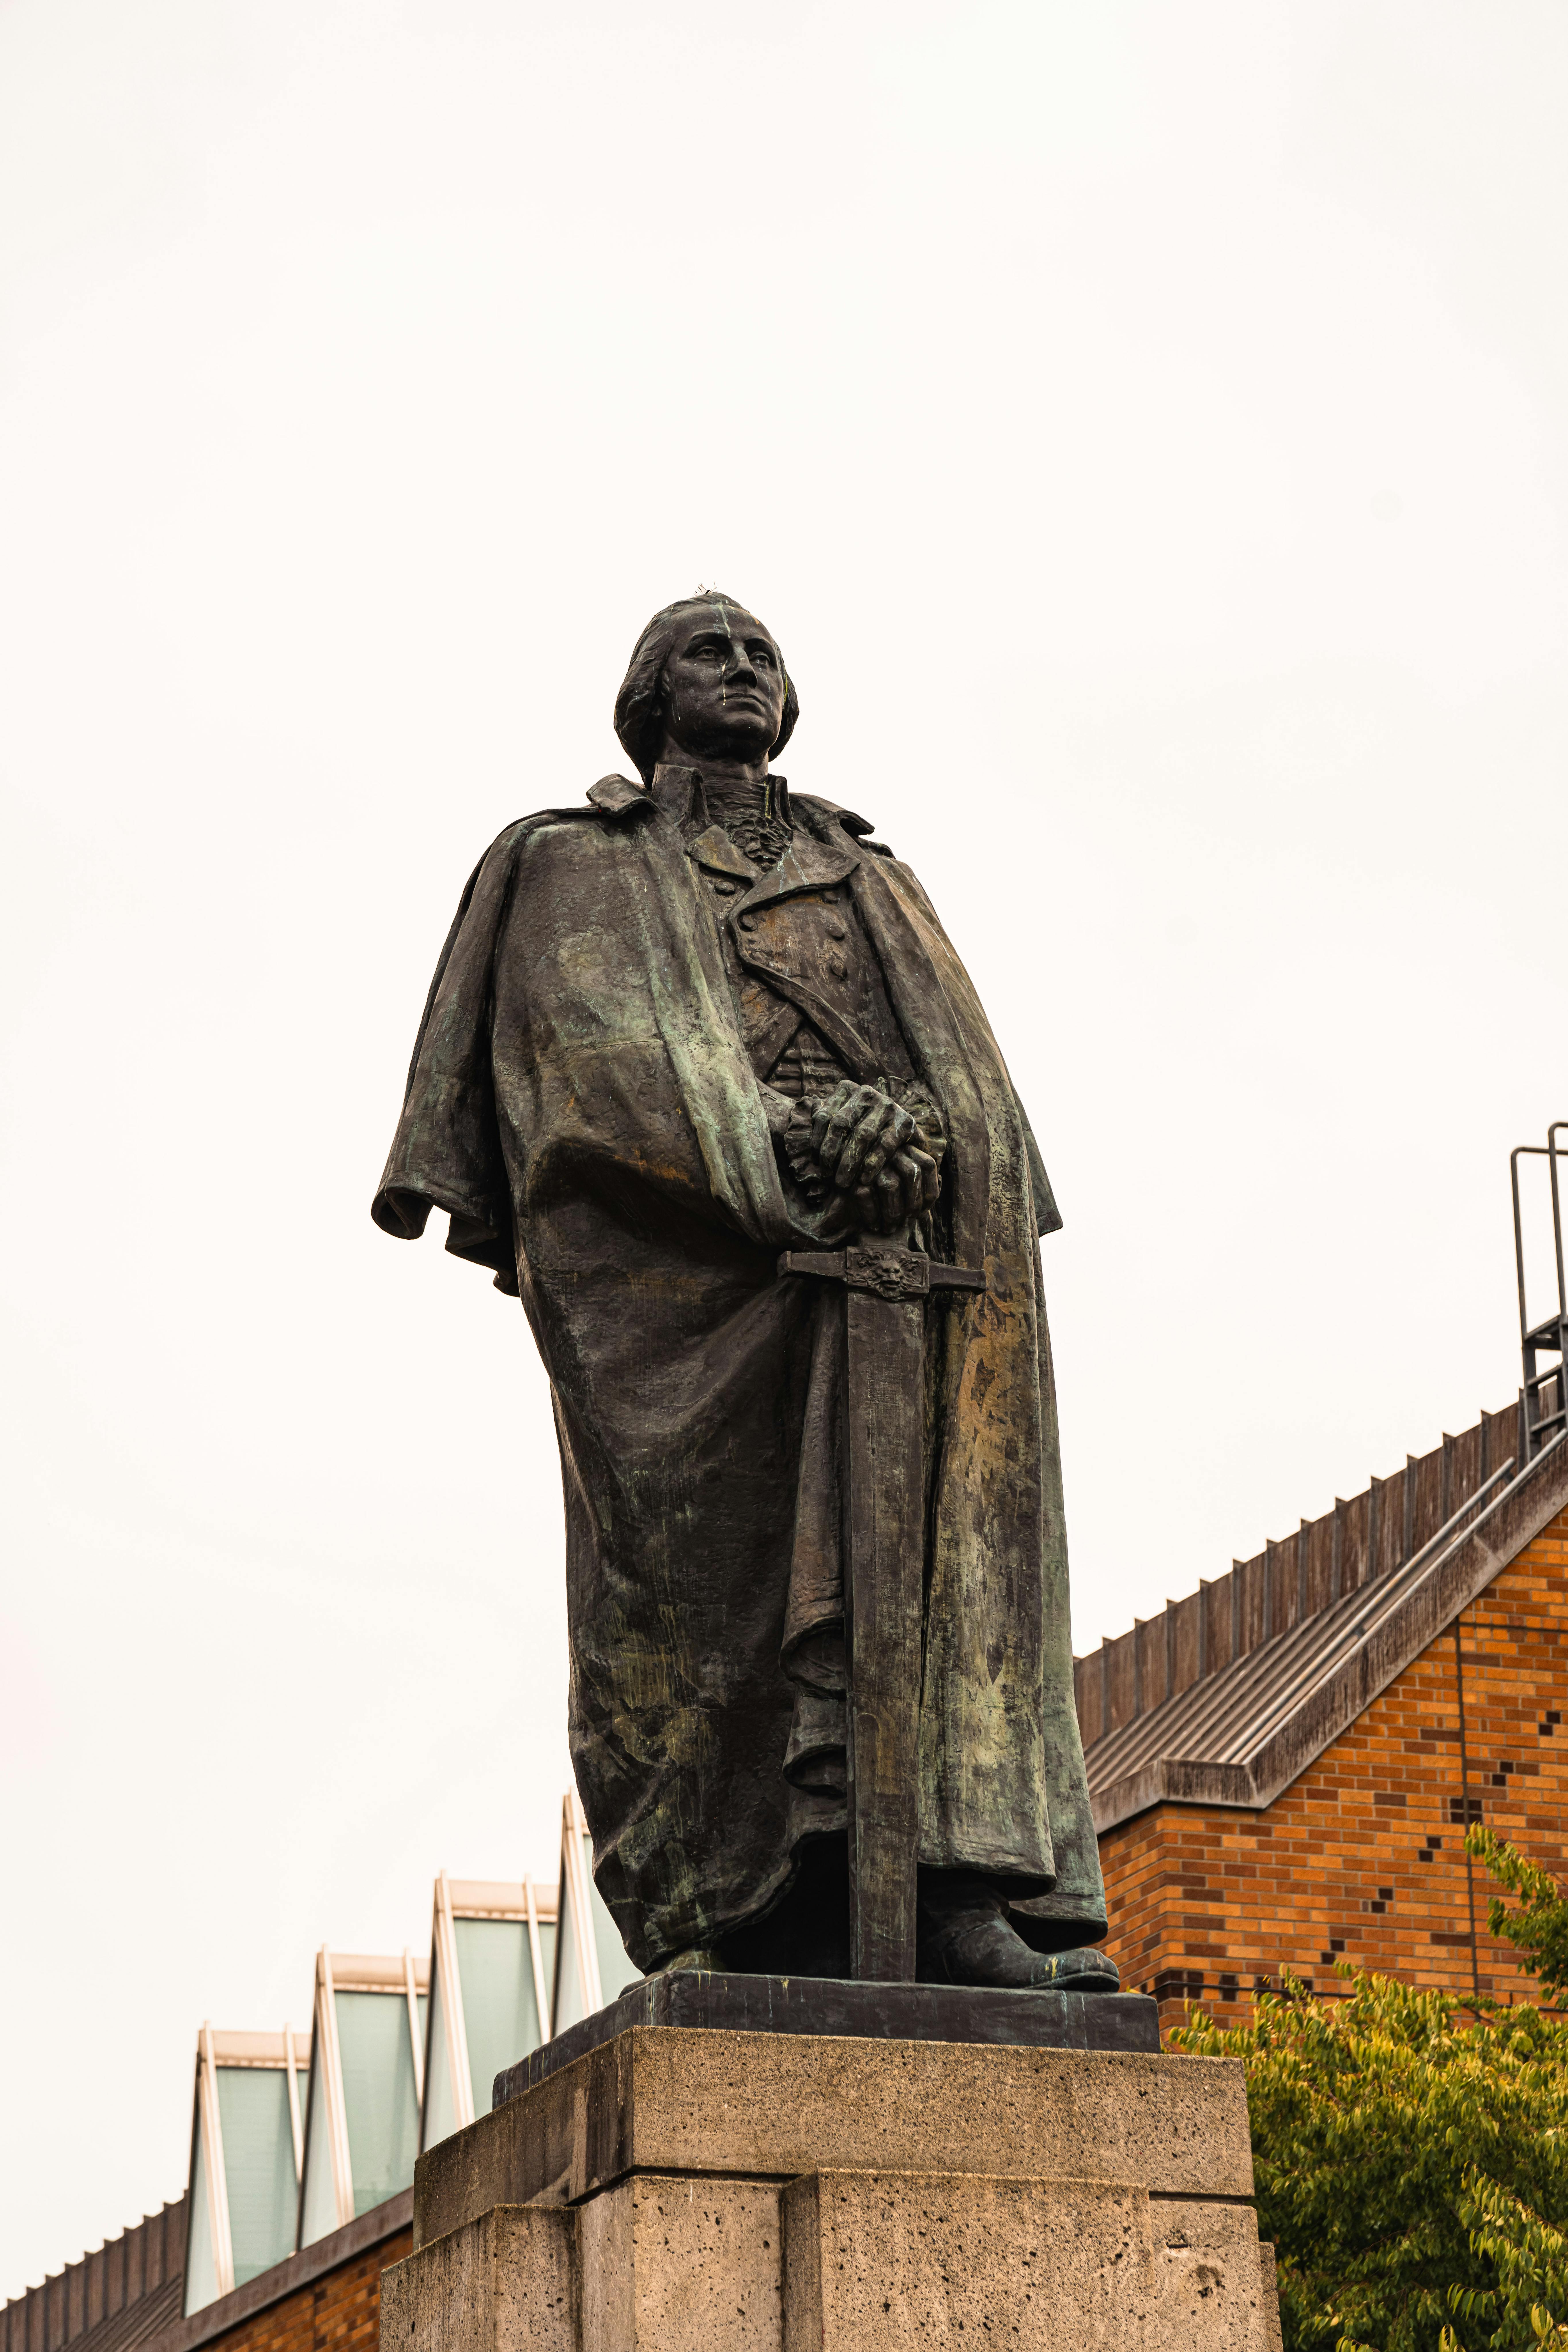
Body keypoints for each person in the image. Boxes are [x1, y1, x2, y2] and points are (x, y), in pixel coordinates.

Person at [373, 591, 1116, 1991]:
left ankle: (949, 1884)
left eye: (765, 652)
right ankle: (770, 1892)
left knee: (935, 1560)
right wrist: (788, 1146)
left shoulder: (871, 871)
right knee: (713, 1586)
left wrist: (908, 1136)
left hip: (901, 1252)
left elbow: (975, 1089)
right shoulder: (571, 863)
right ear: (649, 695)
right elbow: (587, 1070)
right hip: (706, 1280)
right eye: (710, 650)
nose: (746, 670)